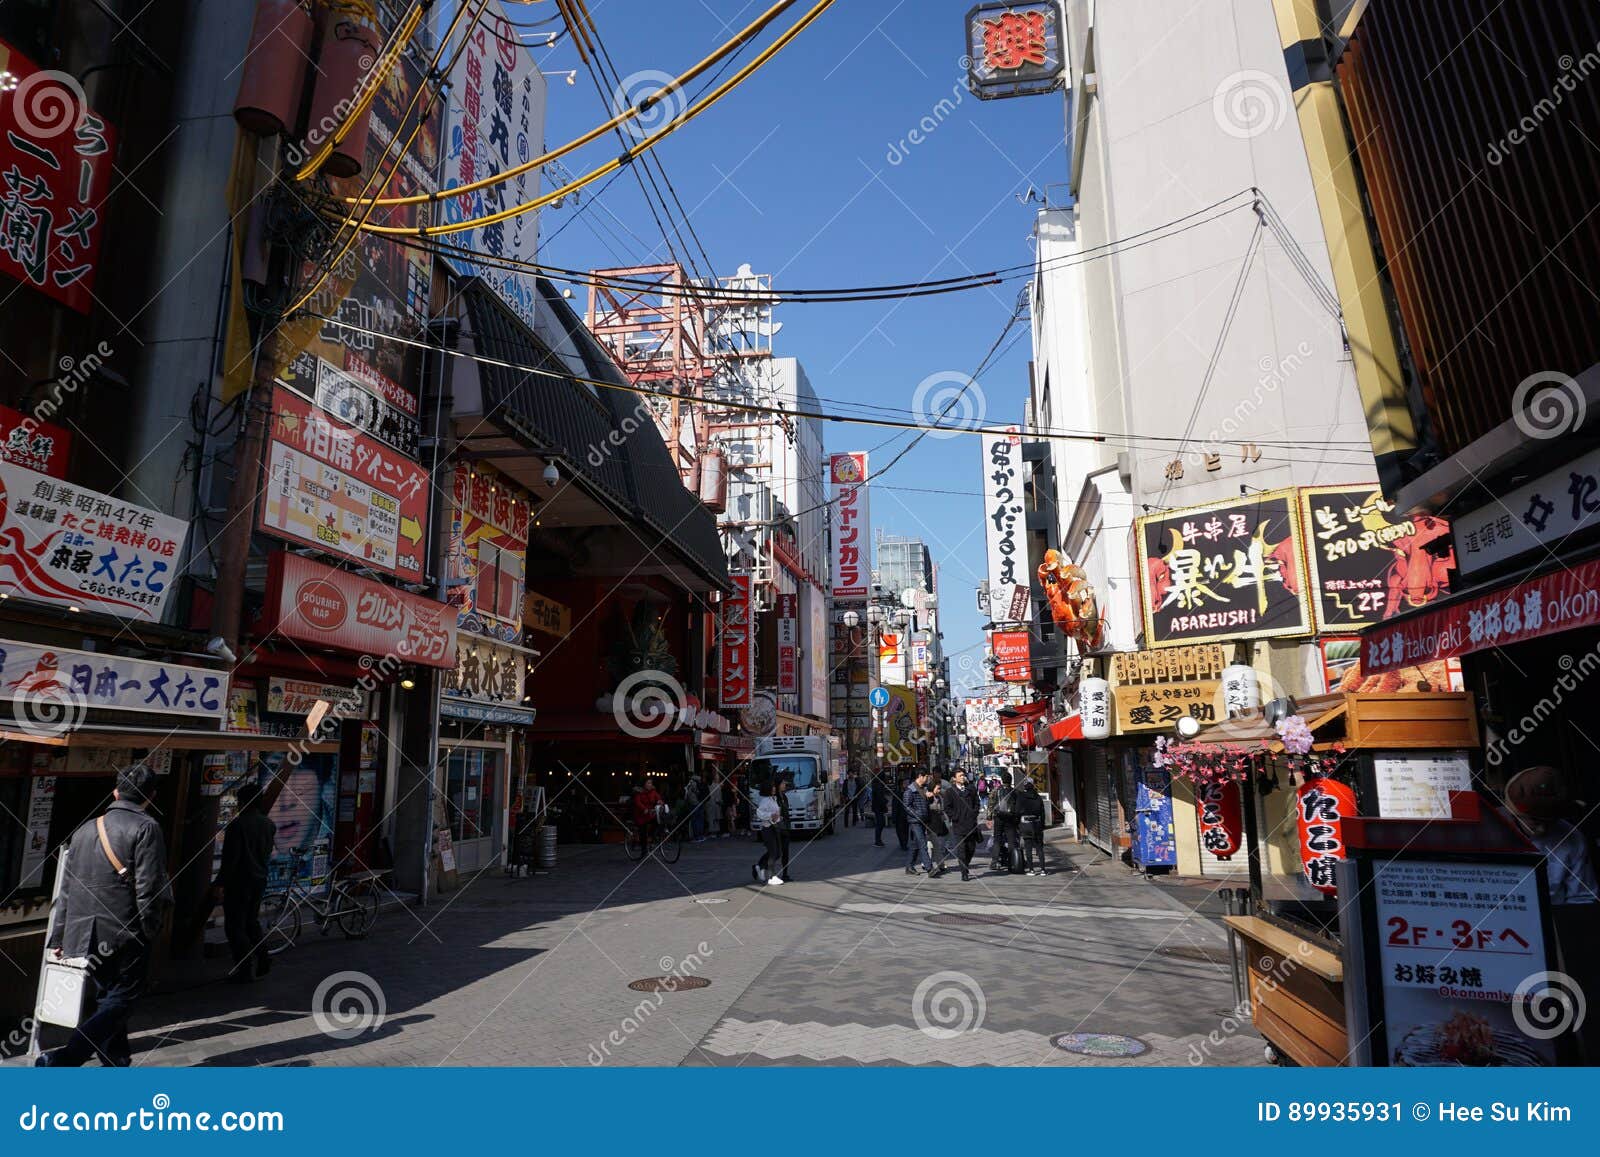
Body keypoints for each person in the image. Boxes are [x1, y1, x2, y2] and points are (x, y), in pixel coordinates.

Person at [38, 764, 172, 1067]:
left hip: (86, 932)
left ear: (115, 792)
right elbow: (149, 886)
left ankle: (116, 1059)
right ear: (150, 796)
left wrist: (59, 936)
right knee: (123, 998)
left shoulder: (85, 829)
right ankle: (66, 1057)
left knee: (108, 995)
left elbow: (67, 889)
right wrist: (150, 928)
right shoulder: (147, 827)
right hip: (125, 930)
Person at [219, 781, 276, 982]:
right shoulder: (268, 824)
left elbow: (230, 859)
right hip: (259, 879)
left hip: (239, 881)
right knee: (251, 921)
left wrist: (220, 883)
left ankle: (244, 968)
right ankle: (263, 957)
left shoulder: (237, 825)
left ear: (243, 802)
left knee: (235, 925)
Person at [934, 772, 977, 881]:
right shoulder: (950, 791)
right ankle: (964, 872)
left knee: (971, 848)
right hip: (958, 824)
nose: (962, 777)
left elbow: (977, 802)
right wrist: (955, 816)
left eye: (963, 775)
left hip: (970, 823)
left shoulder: (971, 789)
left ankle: (966, 864)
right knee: (961, 849)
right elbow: (947, 807)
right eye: (960, 776)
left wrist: (974, 813)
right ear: (954, 778)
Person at [752, 785, 784, 885]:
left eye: (774, 786)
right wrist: (770, 815)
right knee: (773, 853)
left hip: (774, 828)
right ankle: (771, 876)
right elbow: (759, 813)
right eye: (772, 787)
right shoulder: (765, 800)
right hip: (767, 829)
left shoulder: (773, 799)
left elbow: (775, 814)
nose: (774, 788)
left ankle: (760, 866)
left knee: (777, 853)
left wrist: (778, 817)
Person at [902, 770, 932, 874]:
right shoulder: (910, 790)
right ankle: (929, 868)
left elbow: (926, 804)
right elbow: (907, 806)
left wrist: (929, 797)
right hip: (915, 821)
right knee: (922, 843)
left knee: (915, 844)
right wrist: (917, 815)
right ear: (920, 776)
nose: (927, 779)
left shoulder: (924, 788)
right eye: (926, 777)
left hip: (923, 820)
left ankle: (909, 867)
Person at [1016, 777, 1047, 875]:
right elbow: (1042, 813)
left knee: (1028, 847)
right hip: (1037, 823)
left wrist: (1018, 824)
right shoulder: (1038, 797)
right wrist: (1042, 825)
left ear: (1025, 786)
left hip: (1025, 824)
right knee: (1039, 847)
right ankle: (1043, 870)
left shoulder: (1021, 797)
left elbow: (1017, 811)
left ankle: (1031, 870)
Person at [990, 777, 1020, 873]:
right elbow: (1018, 806)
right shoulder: (1015, 792)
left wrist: (989, 817)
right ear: (1011, 781)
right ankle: (1012, 861)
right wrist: (1017, 818)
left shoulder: (996, 790)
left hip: (998, 818)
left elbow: (991, 804)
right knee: (1011, 840)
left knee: (997, 839)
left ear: (1002, 780)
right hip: (1010, 819)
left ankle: (994, 862)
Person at [631, 777, 664, 859]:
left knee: (657, 822)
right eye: (648, 783)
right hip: (641, 814)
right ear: (644, 784)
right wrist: (644, 809)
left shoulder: (653, 791)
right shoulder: (639, 792)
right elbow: (637, 802)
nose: (650, 785)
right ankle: (643, 850)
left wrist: (660, 801)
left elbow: (658, 797)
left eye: (651, 783)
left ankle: (651, 836)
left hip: (650, 813)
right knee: (642, 831)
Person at [773, 776, 794, 881]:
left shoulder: (784, 797)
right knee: (776, 852)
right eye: (783, 783)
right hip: (777, 828)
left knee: (785, 852)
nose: (785, 785)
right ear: (778, 785)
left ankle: (785, 874)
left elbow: (786, 812)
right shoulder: (774, 798)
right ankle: (761, 866)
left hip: (785, 827)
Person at [685, 774, 706, 843]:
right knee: (700, 820)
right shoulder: (699, 783)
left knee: (695, 820)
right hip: (700, 803)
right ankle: (700, 835)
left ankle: (697, 836)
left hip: (694, 804)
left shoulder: (691, 784)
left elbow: (687, 795)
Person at [892, 776, 910, 851]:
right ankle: (903, 844)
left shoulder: (908, 792)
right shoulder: (897, 793)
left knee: (906, 830)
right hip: (899, 816)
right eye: (905, 783)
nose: (907, 785)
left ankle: (904, 843)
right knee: (900, 831)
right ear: (901, 785)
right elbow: (894, 806)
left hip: (906, 815)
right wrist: (894, 817)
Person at [870, 776, 889, 847]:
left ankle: (878, 840)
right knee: (880, 823)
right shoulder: (879, 786)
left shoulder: (877, 785)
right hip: (879, 808)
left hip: (878, 807)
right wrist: (885, 801)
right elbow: (880, 798)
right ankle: (877, 841)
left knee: (880, 823)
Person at [705, 774, 724, 839]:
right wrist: (720, 802)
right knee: (715, 819)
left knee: (711, 818)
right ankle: (715, 831)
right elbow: (719, 797)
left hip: (710, 804)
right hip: (715, 804)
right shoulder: (717, 786)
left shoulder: (708, 786)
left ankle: (712, 832)